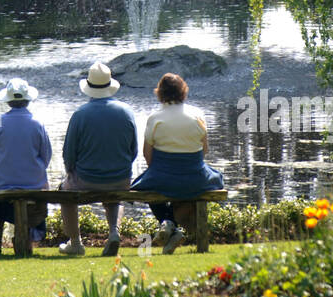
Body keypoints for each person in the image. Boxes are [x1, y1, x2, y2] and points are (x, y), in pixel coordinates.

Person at [131, 71, 224, 254]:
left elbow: (147, 155)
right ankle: (174, 226)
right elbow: (204, 150)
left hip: (163, 176)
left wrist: (164, 171)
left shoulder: (155, 118)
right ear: (183, 91)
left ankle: (167, 222)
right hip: (195, 176)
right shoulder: (198, 115)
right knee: (208, 183)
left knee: (144, 187)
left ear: (160, 93)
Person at [59, 60, 138, 257]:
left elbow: (69, 154)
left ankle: (75, 242)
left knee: (64, 191)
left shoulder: (80, 115)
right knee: (114, 196)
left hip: (87, 179)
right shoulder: (127, 112)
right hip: (120, 179)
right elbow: (133, 150)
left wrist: (71, 173)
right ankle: (113, 232)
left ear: (88, 87)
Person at [0, 77, 52, 255]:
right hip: (33, 183)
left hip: (1, 182)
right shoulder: (38, 123)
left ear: (8, 101)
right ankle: (30, 237)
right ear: (27, 99)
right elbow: (46, 156)